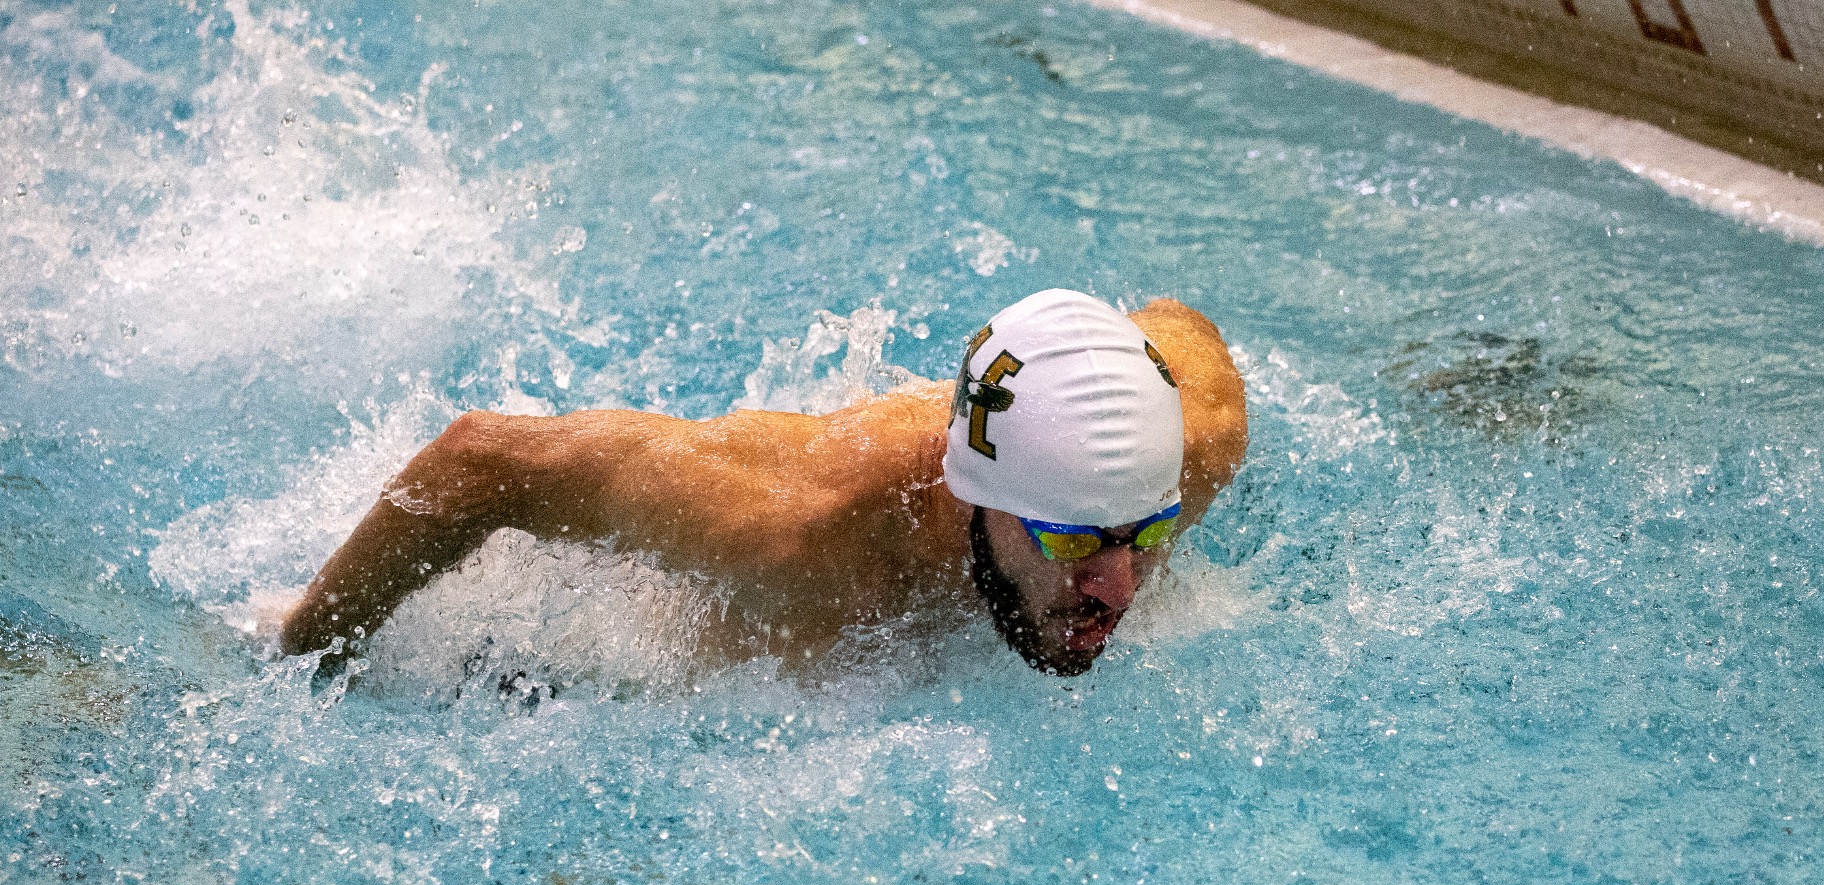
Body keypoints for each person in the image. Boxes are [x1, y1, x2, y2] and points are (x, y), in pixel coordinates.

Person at [280, 289, 1247, 676]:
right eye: (1076, 540)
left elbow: (1177, 319)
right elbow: (480, 461)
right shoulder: (794, 530)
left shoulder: (1186, 442)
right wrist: (303, 653)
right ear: (977, 493)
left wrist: (1072, 374)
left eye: (1146, 532)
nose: (1120, 588)